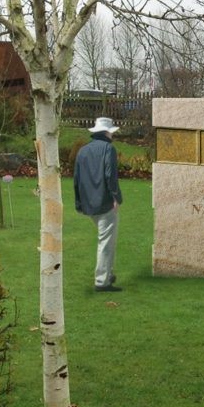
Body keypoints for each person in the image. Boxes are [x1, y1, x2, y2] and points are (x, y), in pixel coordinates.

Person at [74, 117, 123, 292]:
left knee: (105, 239)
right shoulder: (108, 149)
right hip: (104, 202)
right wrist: (117, 198)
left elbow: (77, 179)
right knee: (106, 241)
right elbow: (110, 176)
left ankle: (107, 274)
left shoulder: (83, 151)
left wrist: (79, 203)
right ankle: (102, 281)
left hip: (89, 203)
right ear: (108, 132)